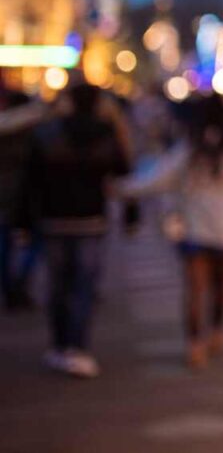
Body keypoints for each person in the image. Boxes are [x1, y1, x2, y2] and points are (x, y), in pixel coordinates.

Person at [117, 94, 223, 367]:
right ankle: (217, 332)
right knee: (222, 286)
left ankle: (195, 344)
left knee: (196, 290)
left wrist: (123, 188)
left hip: (195, 232)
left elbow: (158, 179)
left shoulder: (188, 151)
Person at [24, 81, 130, 378]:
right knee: (84, 287)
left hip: (54, 219)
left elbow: (30, 180)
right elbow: (122, 170)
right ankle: (78, 348)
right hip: (91, 219)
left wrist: (24, 221)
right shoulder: (105, 132)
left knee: (58, 286)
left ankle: (60, 346)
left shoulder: (47, 133)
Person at [0, 90, 50, 310]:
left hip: (8, 195)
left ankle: (10, 288)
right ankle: (19, 284)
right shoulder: (35, 130)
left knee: (5, 244)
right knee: (36, 241)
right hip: (28, 195)